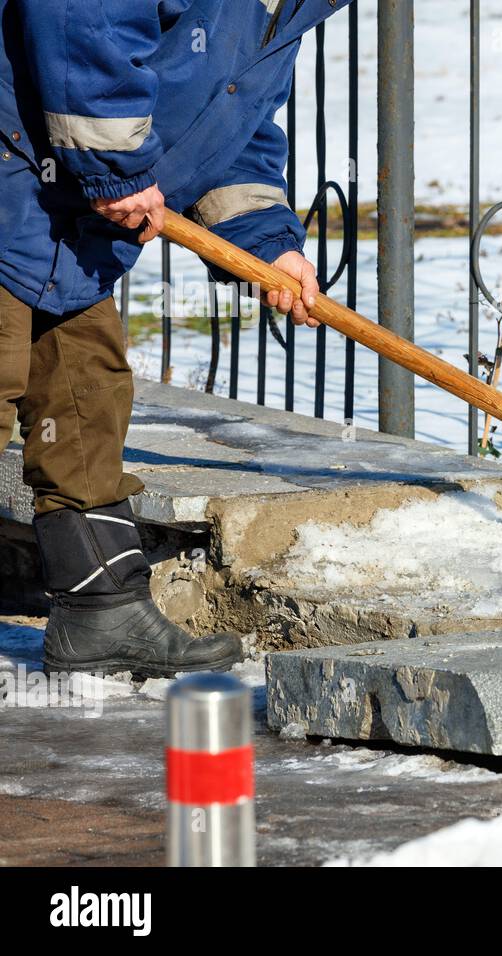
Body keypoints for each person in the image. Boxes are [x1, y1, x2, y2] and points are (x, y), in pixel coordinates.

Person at [0, 0, 351, 676]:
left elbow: (231, 125)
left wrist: (267, 244)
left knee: (85, 401)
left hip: (70, 219)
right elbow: (78, 14)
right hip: (19, 166)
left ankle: (101, 612)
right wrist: (117, 162)